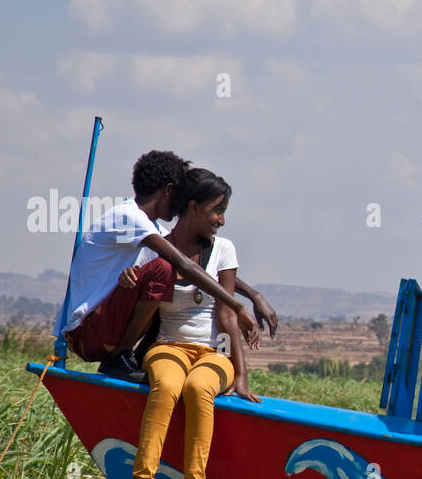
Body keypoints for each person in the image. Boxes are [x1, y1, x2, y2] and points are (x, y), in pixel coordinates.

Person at [60, 150, 278, 381]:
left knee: (165, 275)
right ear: (169, 190)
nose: (179, 206)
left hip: (209, 353)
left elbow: (207, 274)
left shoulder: (159, 233)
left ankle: (136, 357)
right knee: (164, 272)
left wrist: (253, 295)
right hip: (88, 330)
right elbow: (182, 264)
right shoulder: (128, 217)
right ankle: (121, 357)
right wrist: (238, 305)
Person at [124, 168, 261, 479]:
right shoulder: (156, 249)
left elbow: (228, 314)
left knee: (199, 389)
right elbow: (134, 300)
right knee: (167, 387)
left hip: (213, 353)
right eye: (217, 209)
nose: (222, 219)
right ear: (193, 206)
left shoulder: (224, 250)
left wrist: (241, 374)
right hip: (168, 346)